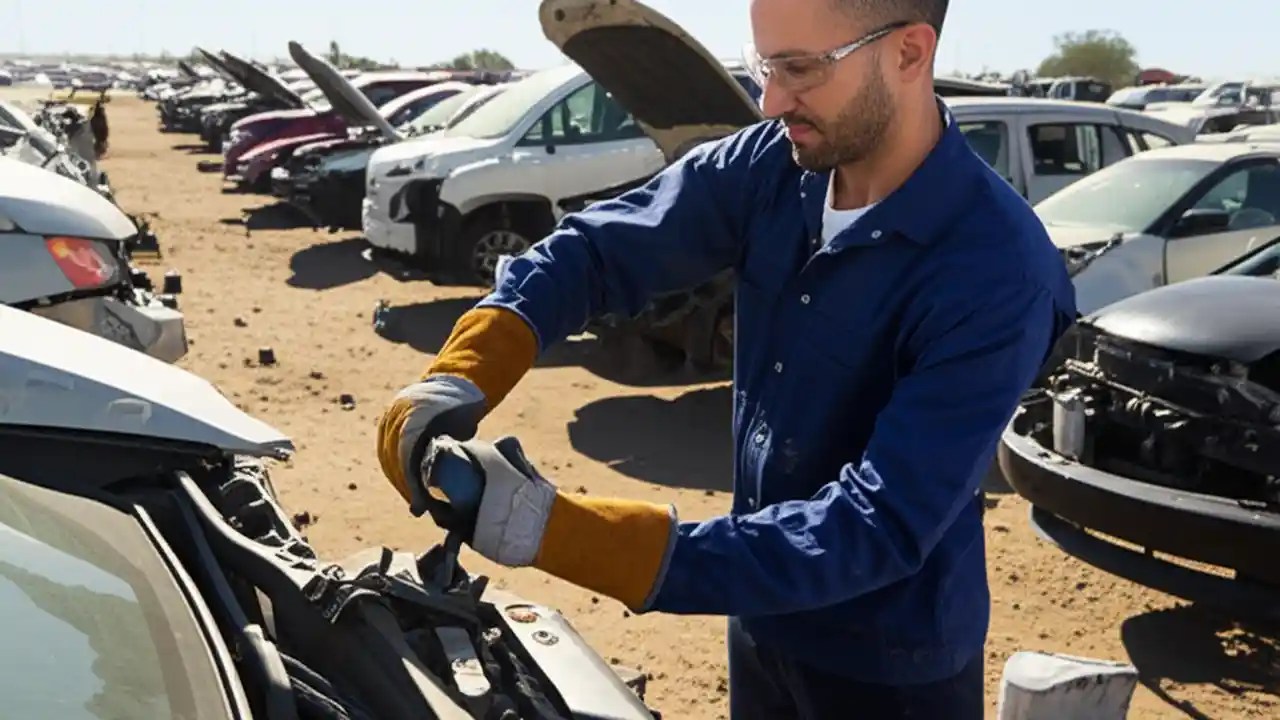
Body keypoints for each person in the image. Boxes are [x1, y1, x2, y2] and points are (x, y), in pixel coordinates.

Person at [375, 0, 1077, 717]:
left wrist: (569, 534)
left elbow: (878, 524)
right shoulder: (774, 164)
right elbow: (597, 251)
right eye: (763, 67)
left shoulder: (998, 272)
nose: (771, 101)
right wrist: (465, 367)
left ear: (908, 53)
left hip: (886, 665)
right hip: (756, 616)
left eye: (801, 68)